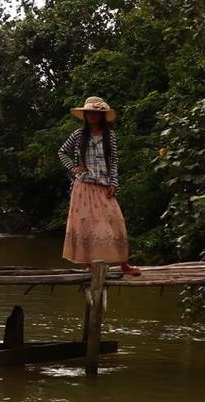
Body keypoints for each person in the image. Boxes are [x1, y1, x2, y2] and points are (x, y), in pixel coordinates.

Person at [58, 96, 141, 276]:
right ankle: (90, 265)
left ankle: (123, 264)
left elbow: (113, 161)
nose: (92, 116)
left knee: (116, 221)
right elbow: (62, 152)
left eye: (96, 113)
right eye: (89, 113)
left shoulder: (109, 135)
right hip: (84, 185)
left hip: (103, 186)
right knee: (86, 224)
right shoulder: (79, 135)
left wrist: (114, 182)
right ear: (85, 115)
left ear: (102, 115)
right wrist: (74, 169)